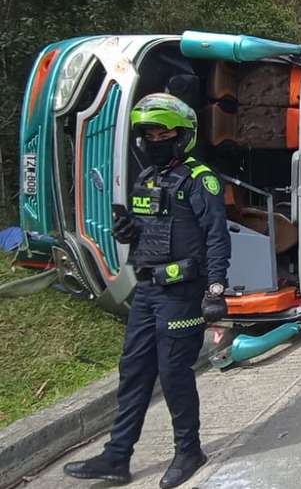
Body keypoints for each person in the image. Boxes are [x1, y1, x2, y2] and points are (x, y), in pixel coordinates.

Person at [65, 92, 231, 489]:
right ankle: (117, 456)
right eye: (150, 134)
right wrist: (130, 231)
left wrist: (215, 289)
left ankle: (189, 450)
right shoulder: (147, 178)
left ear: (182, 136)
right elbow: (152, 231)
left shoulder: (200, 180)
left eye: (163, 133)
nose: (155, 140)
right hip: (147, 291)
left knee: (173, 373)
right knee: (134, 370)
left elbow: (217, 238)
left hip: (182, 292)